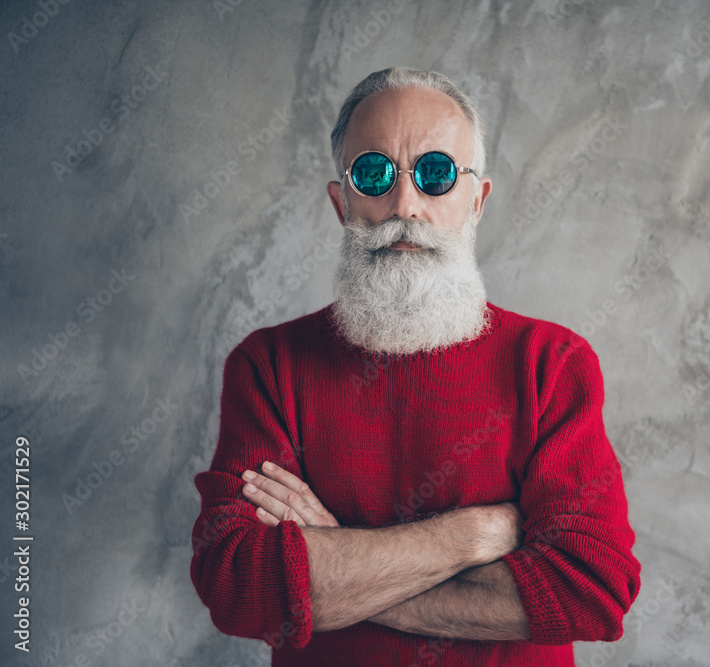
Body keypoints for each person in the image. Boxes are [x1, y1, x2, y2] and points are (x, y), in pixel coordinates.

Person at [190, 66, 641, 666]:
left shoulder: (551, 365)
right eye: (373, 174)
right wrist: (470, 537)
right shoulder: (268, 366)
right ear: (340, 201)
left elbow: (592, 591)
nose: (405, 204)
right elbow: (236, 585)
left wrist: (335, 559)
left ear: (476, 201)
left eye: (436, 174)